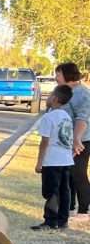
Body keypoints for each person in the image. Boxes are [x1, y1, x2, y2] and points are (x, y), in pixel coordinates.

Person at [31, 84, 75, 230]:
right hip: (66, 159)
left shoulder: (48, 118)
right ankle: (63, 220)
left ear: (55, 99)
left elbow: (45, 142)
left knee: (51, 191)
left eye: (49, 95)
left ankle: (50, 221)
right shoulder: (66, 117)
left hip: (52, 161)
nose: (47, 97)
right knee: (65, 190)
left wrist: (39, 163)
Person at [54, 62, 89, 218]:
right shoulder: (65, 91)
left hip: (83, 141)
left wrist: (76, 140)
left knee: (78, 174)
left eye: (58, 74)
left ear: (67, 75)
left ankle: (84, 210)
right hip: (67, 141)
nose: (56, 77)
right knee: (68, 175)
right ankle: (70, 207)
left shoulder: (82, 94)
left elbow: (82, 119)